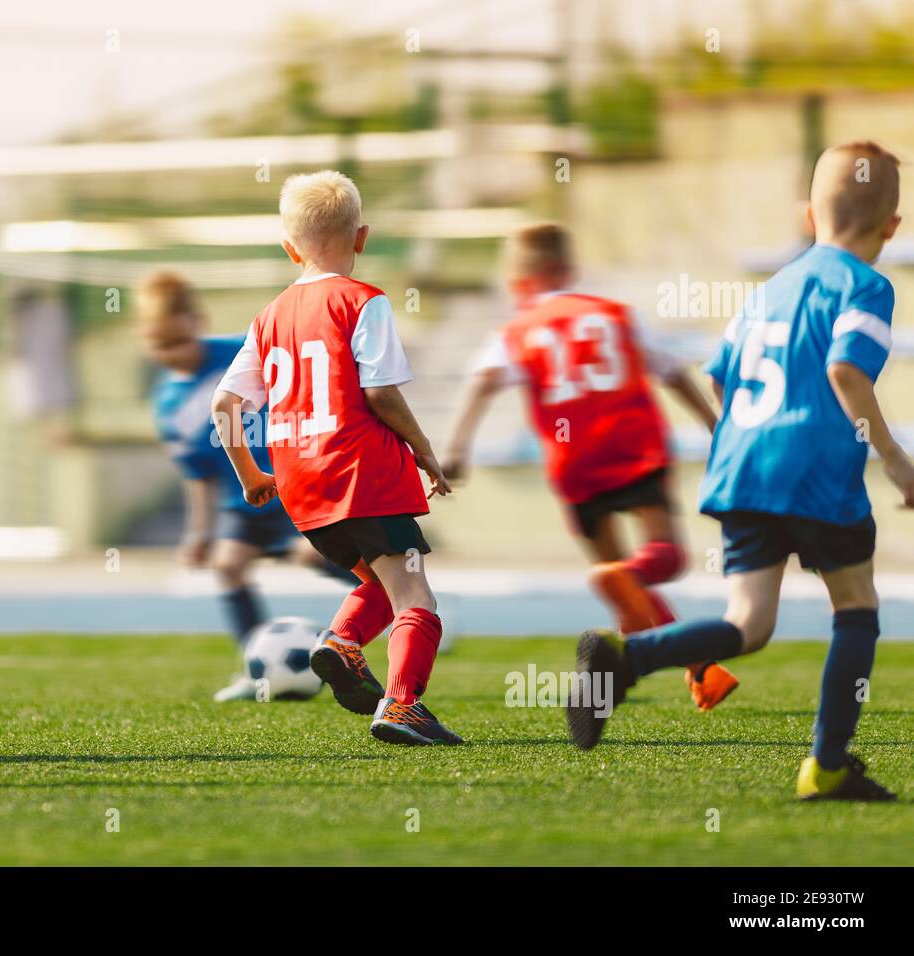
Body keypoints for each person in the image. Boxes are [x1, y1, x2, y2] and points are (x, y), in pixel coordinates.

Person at [567, 142, 910, 802]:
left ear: (808, 214)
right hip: (812, 470)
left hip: (741, 468)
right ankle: (827, 765)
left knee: (748, 624)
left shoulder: (769, 290)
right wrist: (896, 461)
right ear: (893, 227)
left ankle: (626, 659)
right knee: (857, 605)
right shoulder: (866, 286)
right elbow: (844, 370)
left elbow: (721, 379)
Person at [441, 222, 735, 710]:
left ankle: (699, 669)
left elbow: (482, 380)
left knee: (615, 573)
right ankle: (691, 663)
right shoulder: (614, 315)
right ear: (568, 269)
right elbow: (673, 372)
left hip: (574, 458)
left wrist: (456, 448)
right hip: (634, 445)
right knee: (662, 558)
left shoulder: (517, 329)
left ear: (522, 283)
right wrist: (714, 425)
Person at [213, 170, 460, 745]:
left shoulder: (269, 316)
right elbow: (378, 392)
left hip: (302, 484)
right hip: (359, 470)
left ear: (289, 247)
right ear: (362, 237)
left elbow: (226, 404)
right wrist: (424, 449)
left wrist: (251, 474)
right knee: (415, 596)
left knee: (380, 581)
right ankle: (401, 707)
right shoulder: (363, 301)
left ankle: (342, 644)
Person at [138, 271, 359, 701]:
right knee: (227, 566)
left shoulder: (245, 353)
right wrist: (199, 532)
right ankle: (257, 667)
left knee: (312, 557)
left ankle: (389, 593)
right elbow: (197, 473)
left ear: (197, 322)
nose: (171, 353)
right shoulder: (169, 404)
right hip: (243, 499)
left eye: (179, 341)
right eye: (160, 345)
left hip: (297, 484)